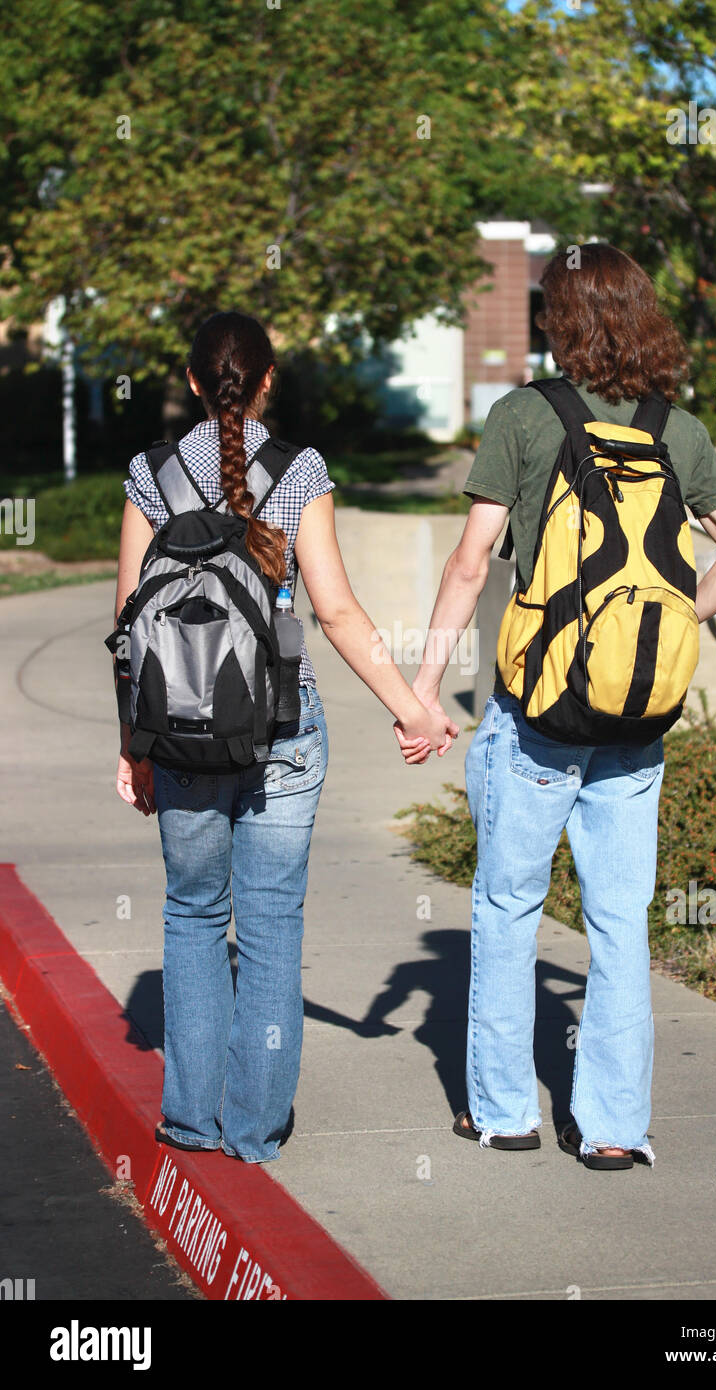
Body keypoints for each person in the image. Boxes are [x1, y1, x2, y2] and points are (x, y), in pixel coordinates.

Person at [398, 244, 716, 1169]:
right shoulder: (675, 429)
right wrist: (674, 618)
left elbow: (470, 561)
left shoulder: (525, 414)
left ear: (557, 322)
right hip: (637, 721)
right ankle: (609, 1130)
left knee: (509, 907)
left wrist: (422, 690)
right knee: (618, 920)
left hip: (538, 713)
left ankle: (506, 1114)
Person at [113, 311, 458, 1163]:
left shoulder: (149, 473)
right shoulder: (299, 471)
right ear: (268, 381)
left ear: (194, 382)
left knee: (193, 915)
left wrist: (135, 746)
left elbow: (127, 625)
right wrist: (410, 707)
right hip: (283, 729)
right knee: (269, 923)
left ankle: (191, 1121)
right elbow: (335, 613)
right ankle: (256, 1129)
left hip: (179, 732)